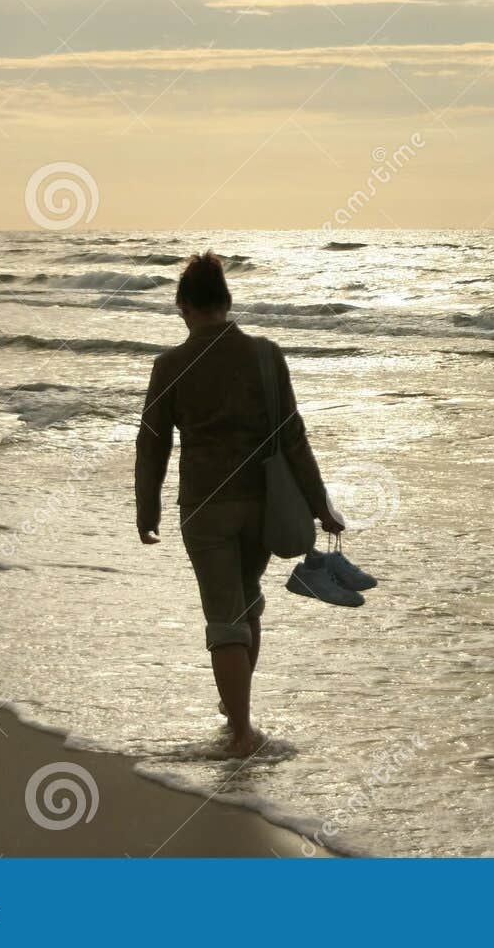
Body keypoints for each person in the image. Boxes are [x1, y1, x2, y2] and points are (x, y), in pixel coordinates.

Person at [135, 251, 343, 758]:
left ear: (183, 305)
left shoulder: (171, 365)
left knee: (224, 615)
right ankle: (237, 713)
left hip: (204, 509)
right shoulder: (266, 355)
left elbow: (152, 442)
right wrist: (321, 505)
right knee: (247, 602)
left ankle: (241, 733)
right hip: (261, 504)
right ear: (228, 302)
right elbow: (292, 437)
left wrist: (148, 509)